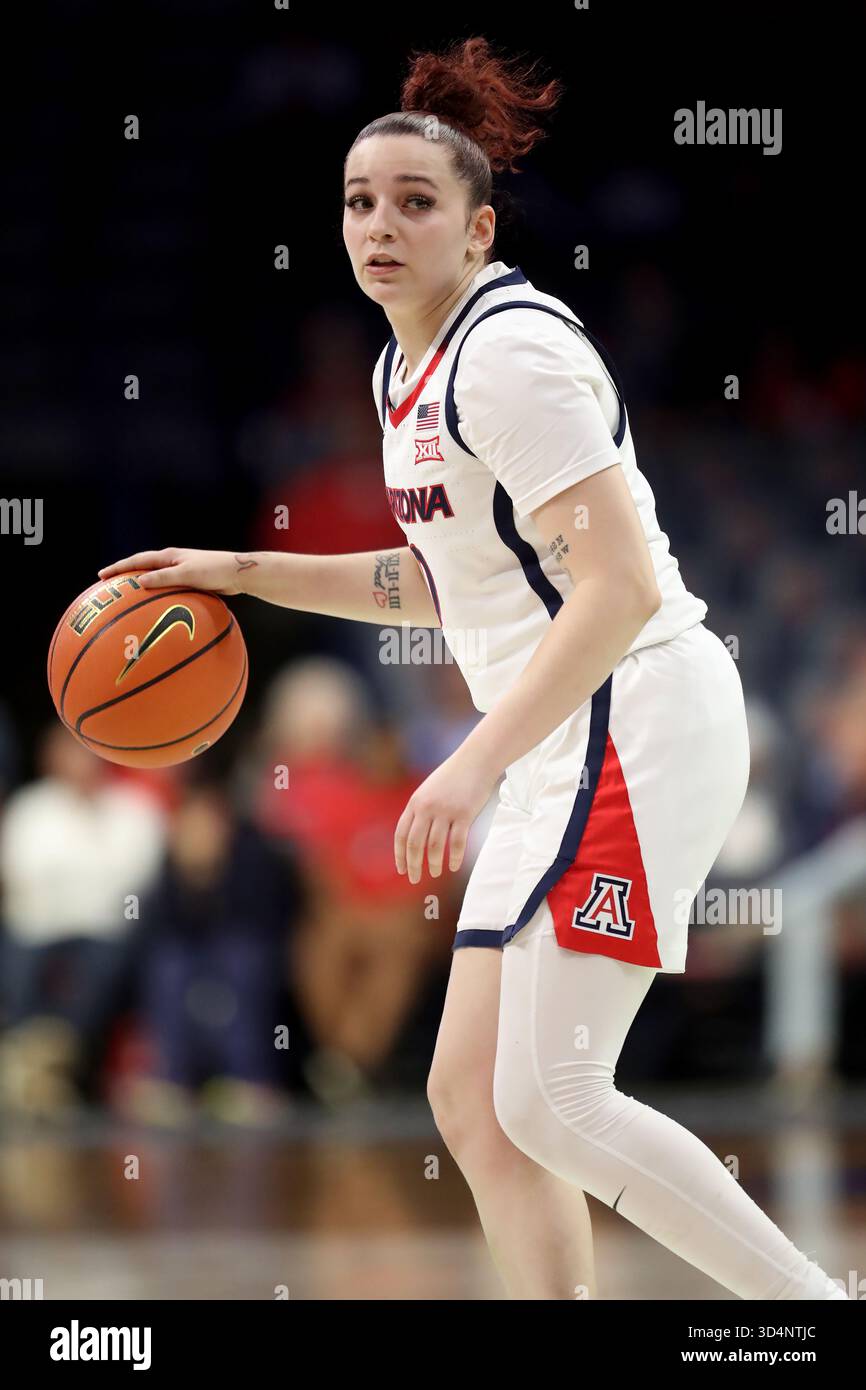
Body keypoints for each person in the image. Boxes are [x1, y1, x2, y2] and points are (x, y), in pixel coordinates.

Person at [94, 37, 847, 1300]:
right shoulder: (407, 366)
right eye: (356, 202)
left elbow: (617, 590)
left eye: (414, 203)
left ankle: (812, 1310)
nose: (377, 225)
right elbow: (451, 580)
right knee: (474, 1104)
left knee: (555, 1097)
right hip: (564, 727)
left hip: (633, 709)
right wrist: (244, 568)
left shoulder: (510, 356)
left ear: (478, 228)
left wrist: (467, 766)